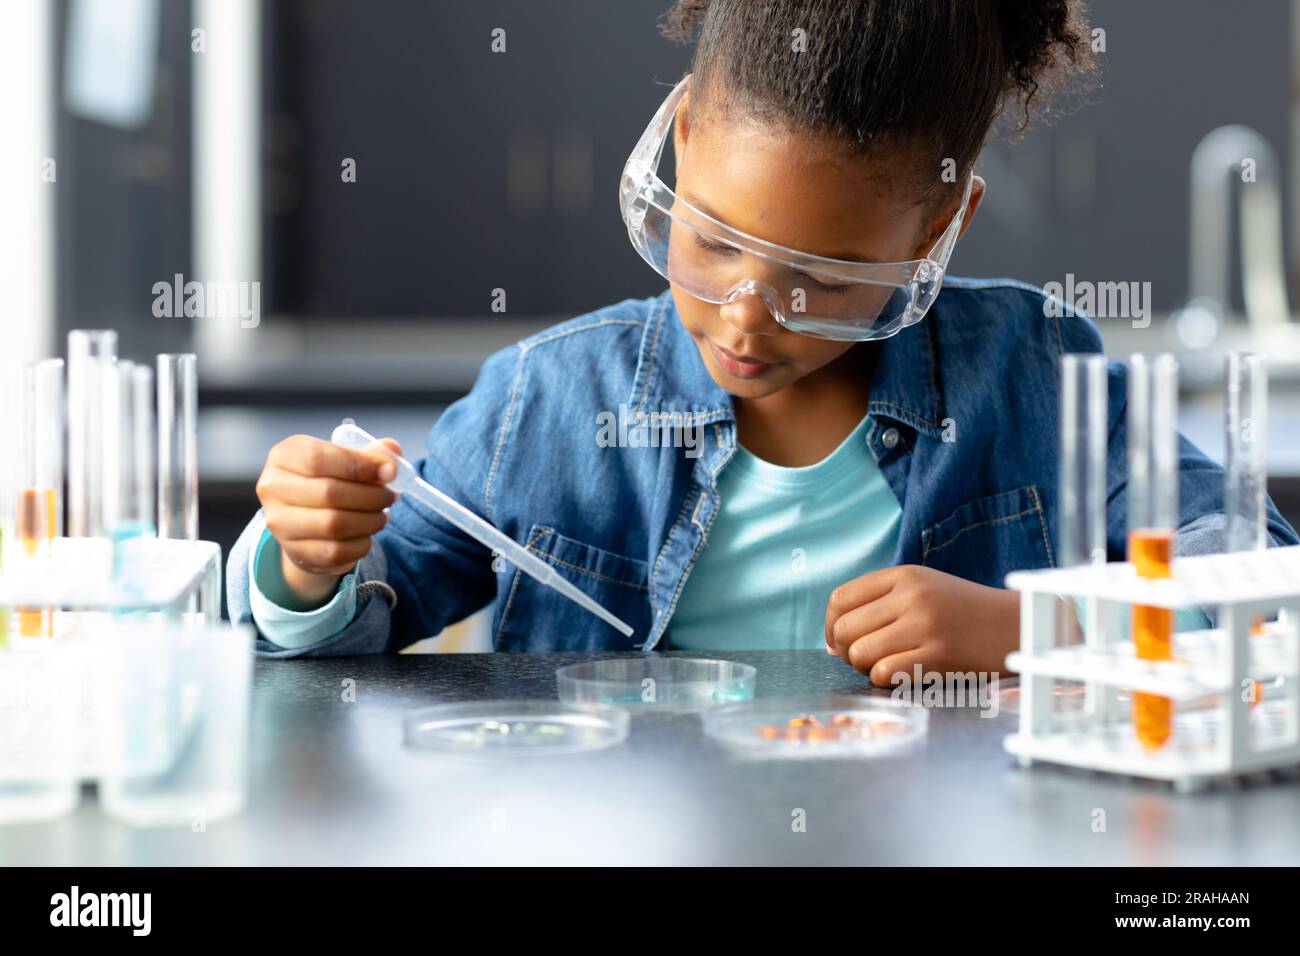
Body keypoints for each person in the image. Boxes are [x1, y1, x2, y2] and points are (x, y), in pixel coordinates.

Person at [228, 0, 1299, 681]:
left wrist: (1033, 631)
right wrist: (306, 560)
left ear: (939, 226)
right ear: (682, 138)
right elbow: (349, 628)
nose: (744, 317)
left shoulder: (1037, 372)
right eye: (710, 241)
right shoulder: (547, 402)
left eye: (824, 280)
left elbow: (1268, 609)